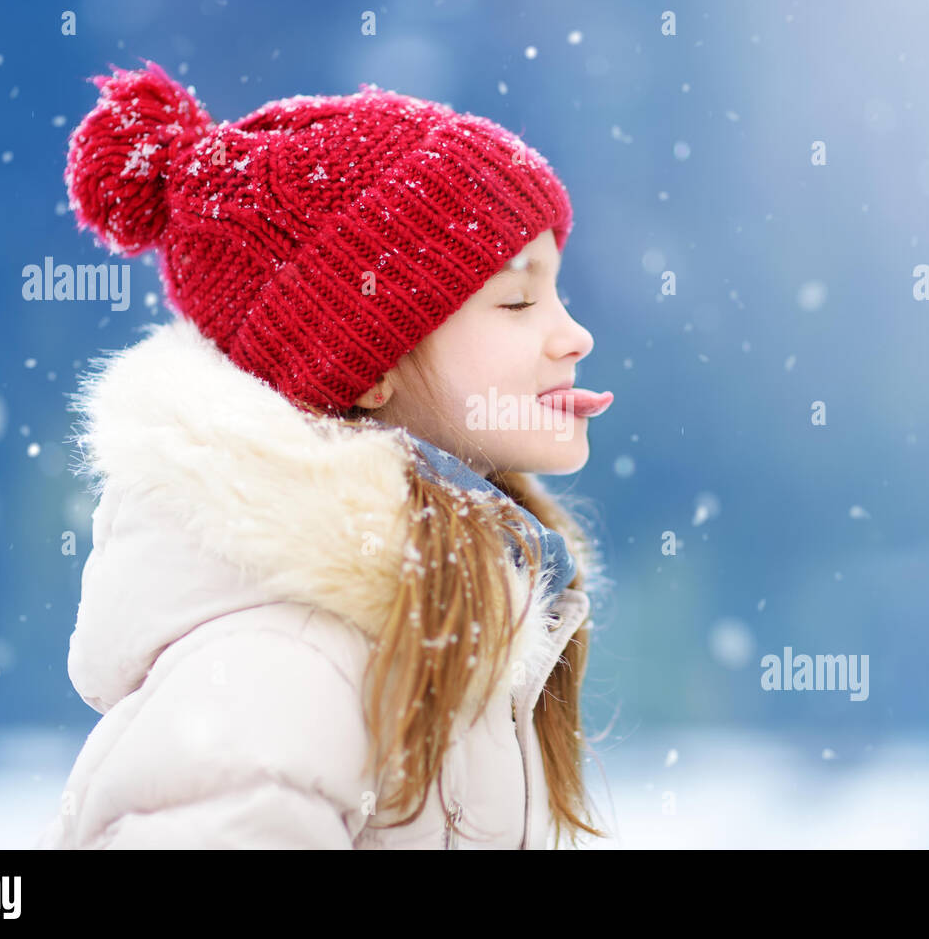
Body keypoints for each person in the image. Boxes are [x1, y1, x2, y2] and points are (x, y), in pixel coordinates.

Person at [36, 61, 615, 849]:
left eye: (557, 292)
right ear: (370, 365)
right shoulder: (282, 670)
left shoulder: (453, 619)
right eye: (516, 302)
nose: (573, 335)